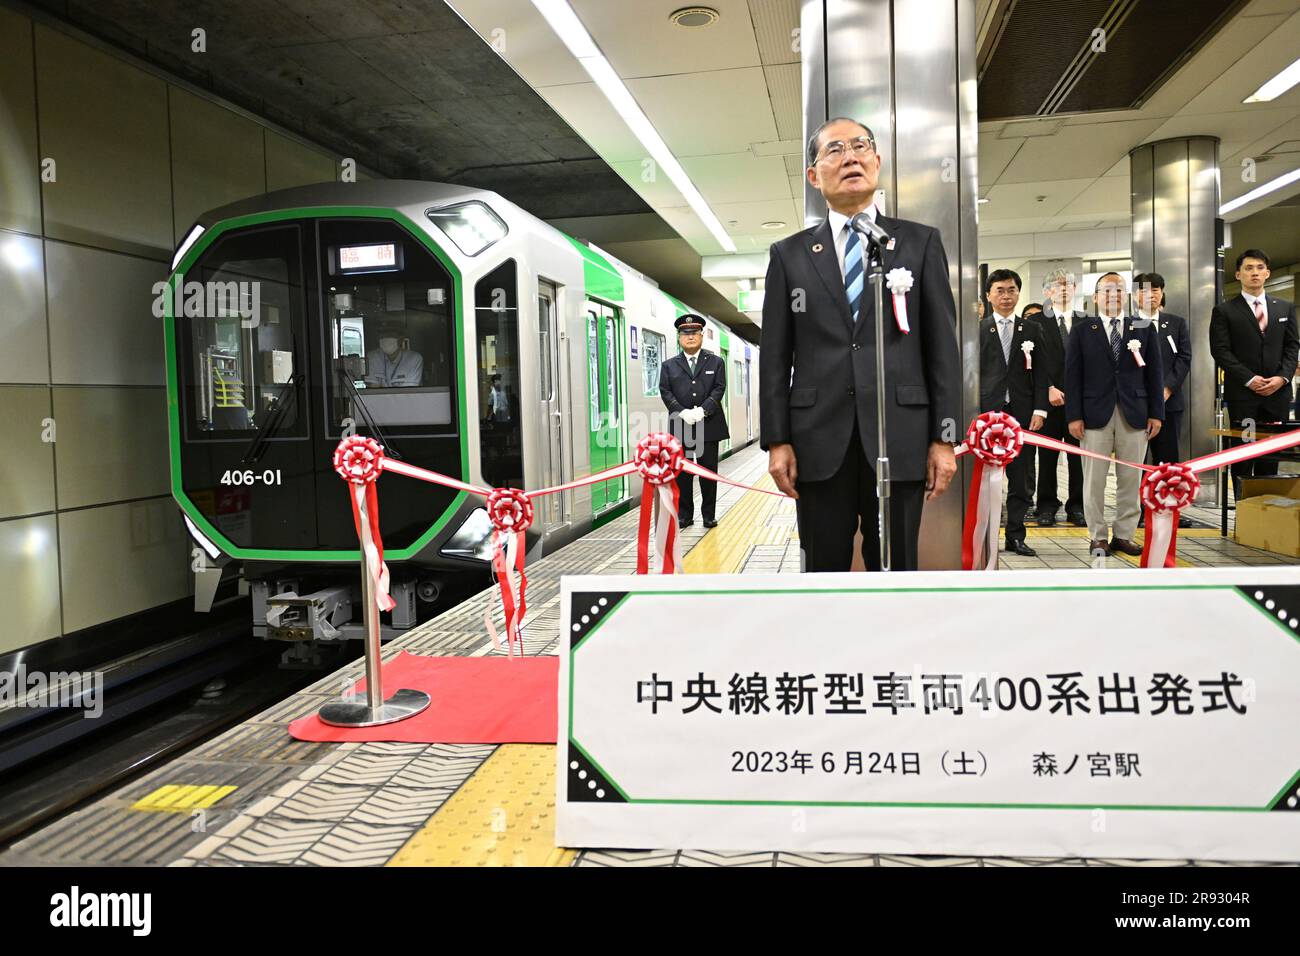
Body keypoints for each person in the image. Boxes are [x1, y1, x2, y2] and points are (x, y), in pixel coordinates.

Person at [760, 116, 961, 571]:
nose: (850, 156)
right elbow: (774, 357)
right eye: (834, 150)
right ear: (814, 175)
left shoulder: (919, 243)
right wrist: (777, 441)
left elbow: (942, 351)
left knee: (896, 564)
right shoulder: (789, 255)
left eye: (860, 146)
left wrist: (944, 438)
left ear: (877, 161)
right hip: (816, 442)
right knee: (823, 567)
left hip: (901, 435)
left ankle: (895, 644)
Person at [1065, 272, 1164, 556]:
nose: (1113, 295)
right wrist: (1074, 415)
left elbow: (1155, 375)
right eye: (1106, 291)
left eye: (1119, 290)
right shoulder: (1083, 330)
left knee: (1131, 478)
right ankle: (1097, 535)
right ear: (1095, 298)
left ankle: (1123, 534)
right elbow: (1072, 376)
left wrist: (1156, 413)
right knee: (1094, 478)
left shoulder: (1143, 327)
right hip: (1094, 414)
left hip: (1135, 413)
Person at [1208, 248, 1298, 497]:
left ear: (1267, 273)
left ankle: (1268, 508)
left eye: (1259, 268)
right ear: (1238, 275)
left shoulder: (1285, 308)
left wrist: (1282, 378)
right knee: (1244, 450)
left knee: (1271, 454)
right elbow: (1221, 351)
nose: (1254, 273)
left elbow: (1292, 347)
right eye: (1248, 268)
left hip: (1277, 397)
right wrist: (1249, 379)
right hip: (1244, 398)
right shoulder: (1225, 311)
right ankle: (1244, 510)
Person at [979, 269, 1047, 556]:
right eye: (1000, 290)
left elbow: (1043, 373)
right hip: (986, 415)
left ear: (1019, 293)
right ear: (988, 295)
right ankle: (984, 536)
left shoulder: (1032, 329)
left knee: (1021, 479)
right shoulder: (978, 330)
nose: (1006, 296)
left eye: (1011, 290)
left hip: (1022, 413)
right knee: (985, 480)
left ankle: (1016, 536)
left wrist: (1040, 408)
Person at [1025, 269, 1087, 527]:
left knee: (1078, 457)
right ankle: (1047, 505)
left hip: (1080, 402)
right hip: (1048, 401)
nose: (1063, 289)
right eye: (1056, 285)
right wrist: (1048, 387)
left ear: (1074, 289)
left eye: (1068, 284)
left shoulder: (1087, 320)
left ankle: (1078, 506)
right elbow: (1031, 363)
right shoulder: (1035, 322)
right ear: (1047, 292)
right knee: (1047, 456)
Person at [659, 314, 729, 529]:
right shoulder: (669, 365)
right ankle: (685, 515)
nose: (690, 337)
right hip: (682, 427)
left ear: (701, 336)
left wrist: (703, 410)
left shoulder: (716, 362)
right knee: (683, 474)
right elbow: (665, 391)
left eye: (694, 333)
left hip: (709, 426)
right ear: (679, 338)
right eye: (685, 334)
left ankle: (709, 515)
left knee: (708, 473)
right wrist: (681, 412)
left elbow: (719, 388)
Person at [365, 321, 423, 387]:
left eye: (391, 334)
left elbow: (407, 391)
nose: (386, 338)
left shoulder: (413, 359)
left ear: (401, 339)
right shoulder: (372, 357)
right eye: (383, 335)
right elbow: (373, 390)